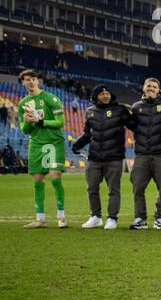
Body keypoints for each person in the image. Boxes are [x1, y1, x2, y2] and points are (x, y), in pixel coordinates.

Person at [71, 84, 132, 229]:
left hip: (114, 157)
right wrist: (77, 144)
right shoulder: (89, 111)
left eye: (107, 93)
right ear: (96, 96)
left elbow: (134, 125)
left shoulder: (120, 110)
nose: (106, 95)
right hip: (94, 157)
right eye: (102, 93)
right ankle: (95, 216)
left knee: (114, 190)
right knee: (91, 188)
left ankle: (112, 218)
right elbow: (88, 133)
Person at [17, 69, 67, 228]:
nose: (30, 82)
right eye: (26, 80)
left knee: (55, 177)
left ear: (38, 81)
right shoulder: (22, 104)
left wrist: (40, 121)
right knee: (37, 180)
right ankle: (40, 219)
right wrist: (28, 121)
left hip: (54, 142)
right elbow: (24, 130)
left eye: (32, 79)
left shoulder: (50, 98)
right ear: (23, 83)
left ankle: (61, 216)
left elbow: (60, 122)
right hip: (36, 143)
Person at [128, 77, 161, 230]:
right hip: (142, 154)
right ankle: (140, 218)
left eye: (154, 86)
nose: (151, 88)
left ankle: (160, 218)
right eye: (148, 86)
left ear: (158, 89)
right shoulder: (136, 107)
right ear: (143, 88)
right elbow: (133, 125)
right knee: (137, 188)